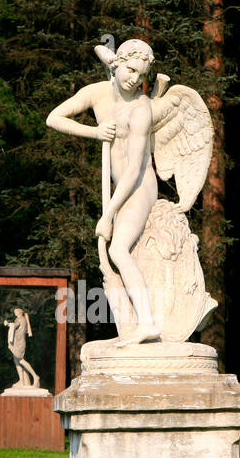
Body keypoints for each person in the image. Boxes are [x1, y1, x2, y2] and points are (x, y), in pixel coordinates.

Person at [45, 39, 161, 344]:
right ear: (118, 64)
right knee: (120, 251)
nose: (134, 79)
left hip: (139, 187)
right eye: (130, 70)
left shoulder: (142, 108)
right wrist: (94, 132)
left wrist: (107, 215)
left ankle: (147, 323)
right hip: (119, 188)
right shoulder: (97, 93)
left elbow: (135, 169)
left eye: (141, 75)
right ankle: (137, 323)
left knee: (117, 249)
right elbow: (53, 118)